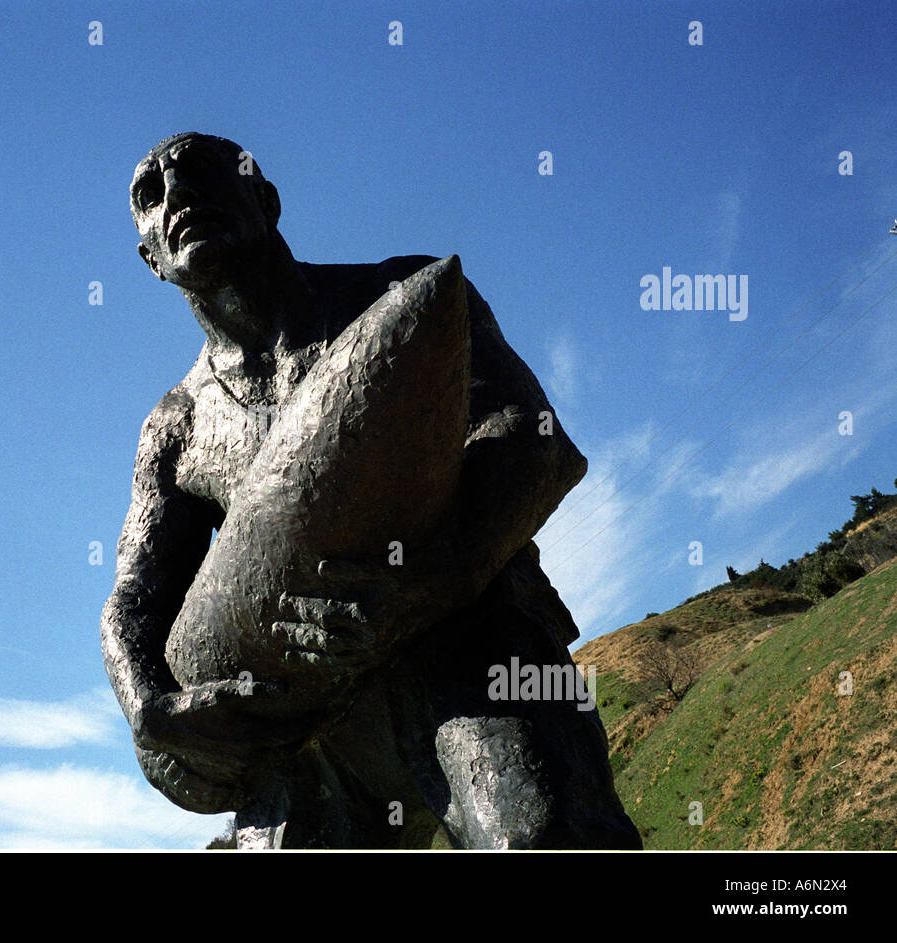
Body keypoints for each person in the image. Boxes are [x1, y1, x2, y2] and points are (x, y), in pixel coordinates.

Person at [101, 132, 641, 848]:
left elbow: (533, 440)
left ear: (265, 200)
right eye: (152, 193)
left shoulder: (395, 295)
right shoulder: (175, 427)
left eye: (201, 171)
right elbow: (136, 593)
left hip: (464, 637)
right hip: (304, 725)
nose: (179, 196)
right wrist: (148, 705)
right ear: (151, 260)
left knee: (544, 835)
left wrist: (428, 583)